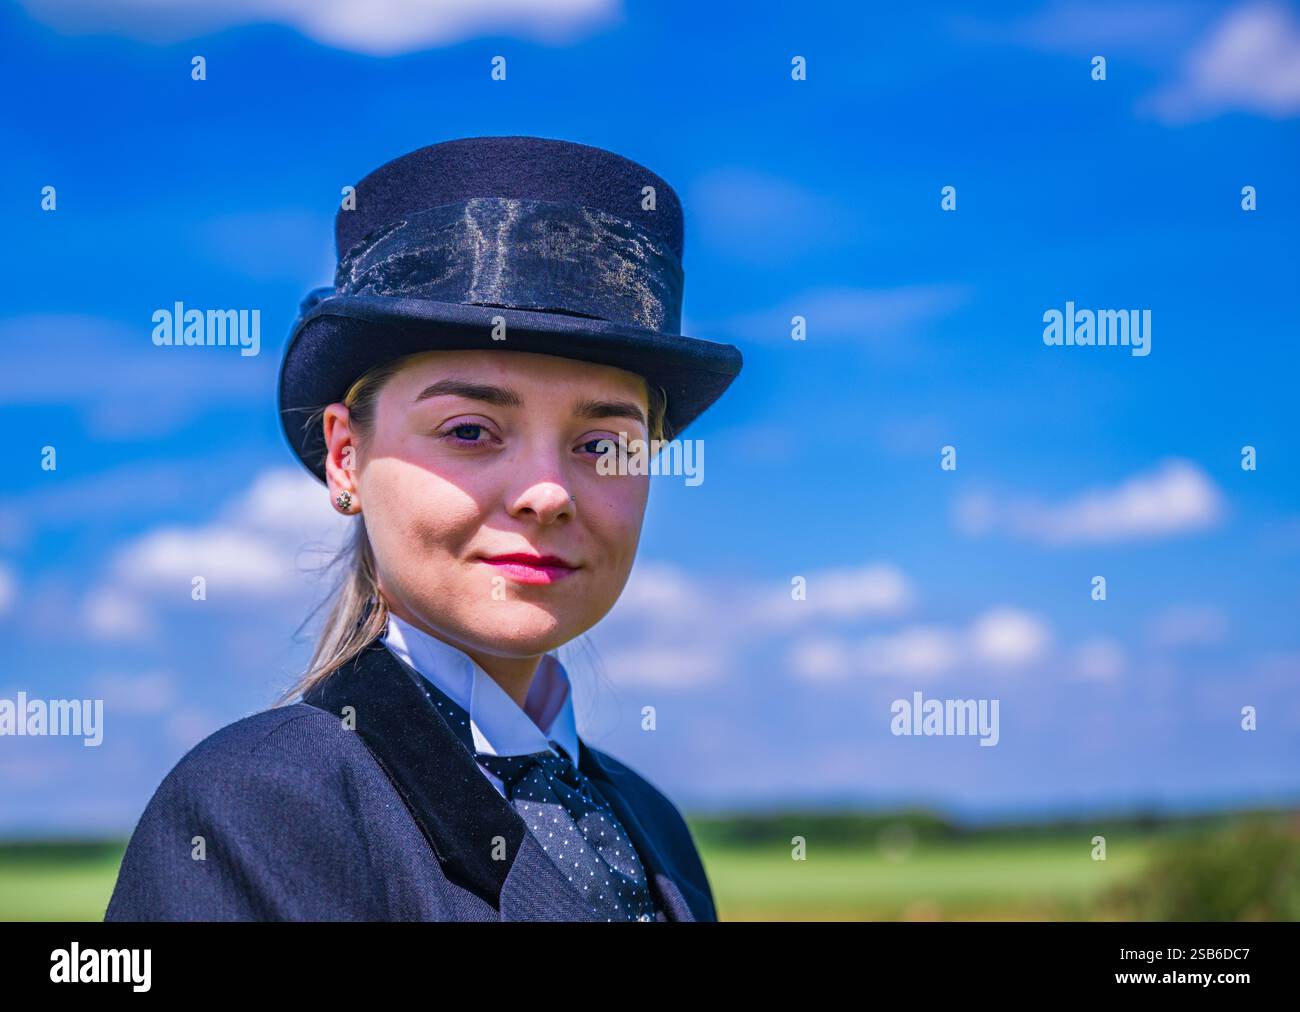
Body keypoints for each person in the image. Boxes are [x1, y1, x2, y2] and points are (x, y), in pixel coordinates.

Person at [104, 135, 744, 921]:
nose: (548, 494)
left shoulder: (655, 828)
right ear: (346, 456)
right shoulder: (254, 812)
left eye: (602, 446)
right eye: (470, 430)